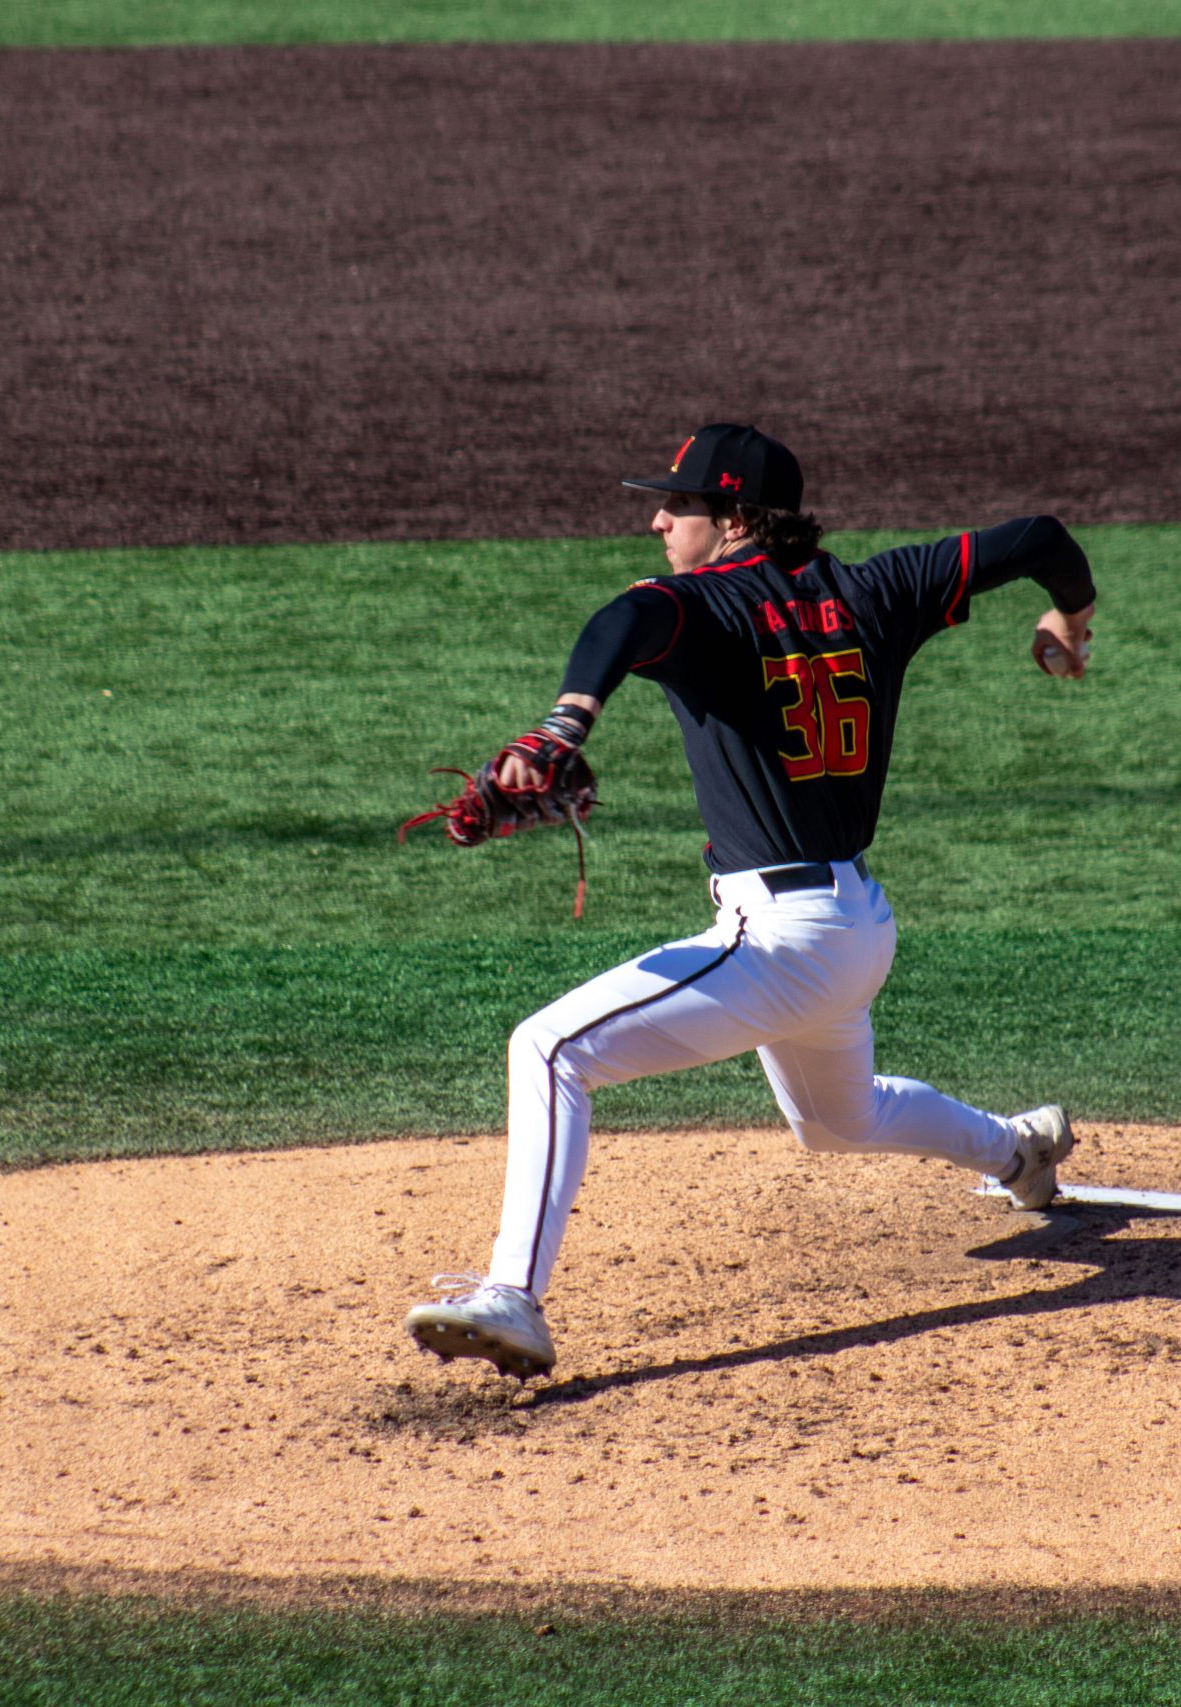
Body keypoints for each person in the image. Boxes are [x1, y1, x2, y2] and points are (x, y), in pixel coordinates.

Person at [405, 423, 1097, 1379]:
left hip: (782, 940)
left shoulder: (707, 606)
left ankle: (512, 1297)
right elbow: (1041, 538)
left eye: (677, 504)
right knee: (838, 1122)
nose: (659, 521)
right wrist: (1070, 619)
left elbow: (622, 621)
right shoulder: (880, 587)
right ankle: (1020, 1151)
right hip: (858, 927)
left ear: (733, 517)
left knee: (549, 1049)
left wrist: (565, 723)